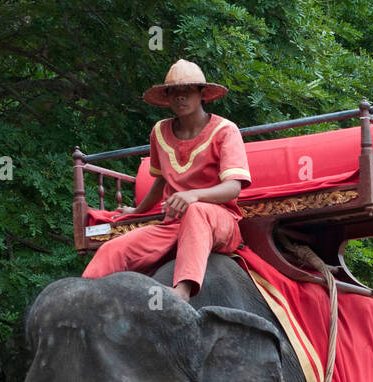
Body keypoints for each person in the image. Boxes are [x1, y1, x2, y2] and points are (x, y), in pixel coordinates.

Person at [82, 60, 251, 301]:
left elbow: (233, 188)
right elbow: (161, 181)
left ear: (202, 94)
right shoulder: (159, 132)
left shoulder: (226, 130)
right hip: (173, 224)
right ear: (167, 98)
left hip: (218, 221)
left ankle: (182, 290)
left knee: (196, 211)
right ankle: (80, 299)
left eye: (187, 91)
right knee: (113, 249)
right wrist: (137, 210)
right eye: (174, 93)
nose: (180, 98)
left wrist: (194, 195)